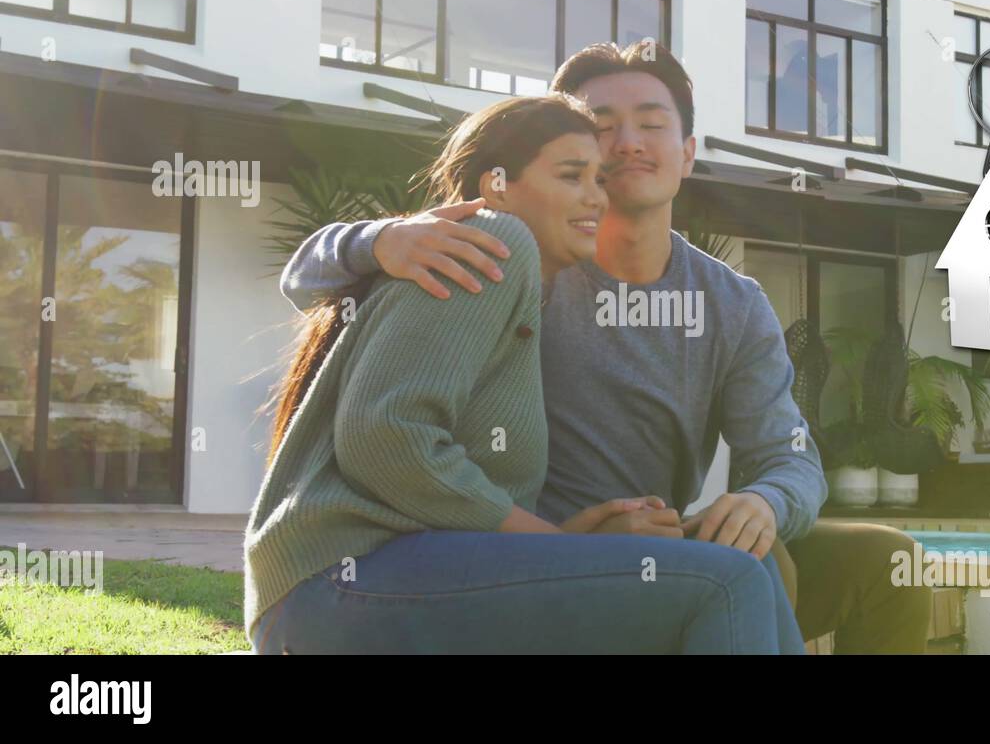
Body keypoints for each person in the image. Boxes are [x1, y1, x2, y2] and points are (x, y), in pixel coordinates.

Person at [280, 42, 931, 654]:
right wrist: (372, 241)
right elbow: (322, 295)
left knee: (881, 562)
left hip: (656, 546)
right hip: (529, 556)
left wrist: (763, 503)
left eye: (651, 123)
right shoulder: (505, 258)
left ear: (688, 151)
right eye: (601, 125)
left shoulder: (732, 303)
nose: (627, 143)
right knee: (739, 572)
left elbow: (792, 459)